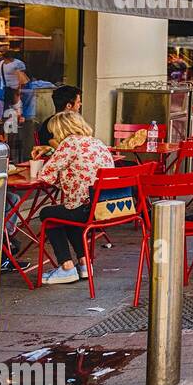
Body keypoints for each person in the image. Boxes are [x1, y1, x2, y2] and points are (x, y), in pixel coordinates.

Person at [34, 112, 118, 286]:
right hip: (107, 207)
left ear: (59, 130)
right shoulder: (96, 142)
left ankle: (66, 267)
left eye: (54, 132)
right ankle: (85, 264)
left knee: (47, 214)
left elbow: (45, 175)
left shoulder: (69, 143)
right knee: (68, 213)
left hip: (87, 209)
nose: (53, 136)